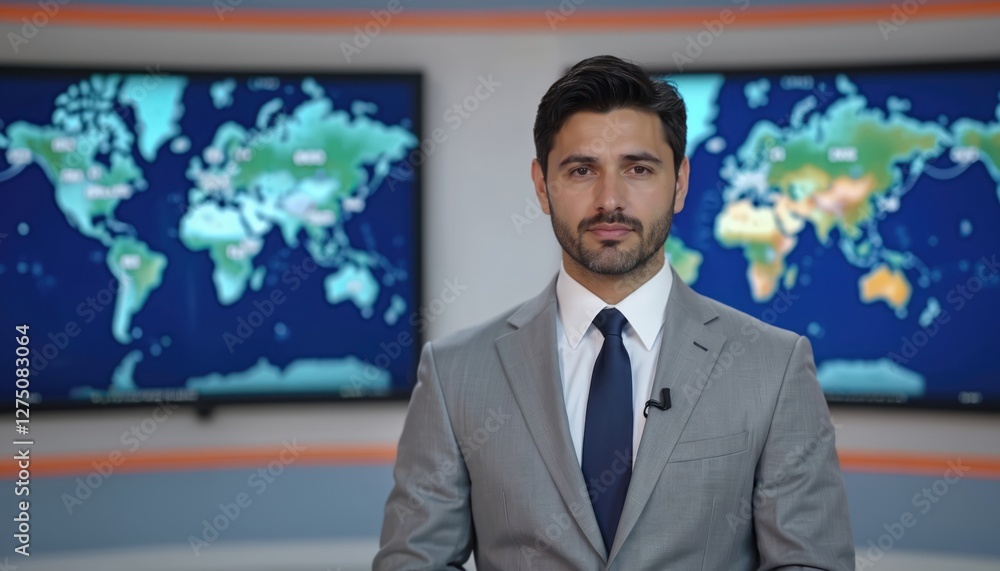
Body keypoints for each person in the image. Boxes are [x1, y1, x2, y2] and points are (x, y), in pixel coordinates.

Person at [374, 55, 854, 570]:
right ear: (542, 186)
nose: (609, 200)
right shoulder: (455, 373)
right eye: (582, 170)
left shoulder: (774, 367)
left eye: (638, 169)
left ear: (680, 182)